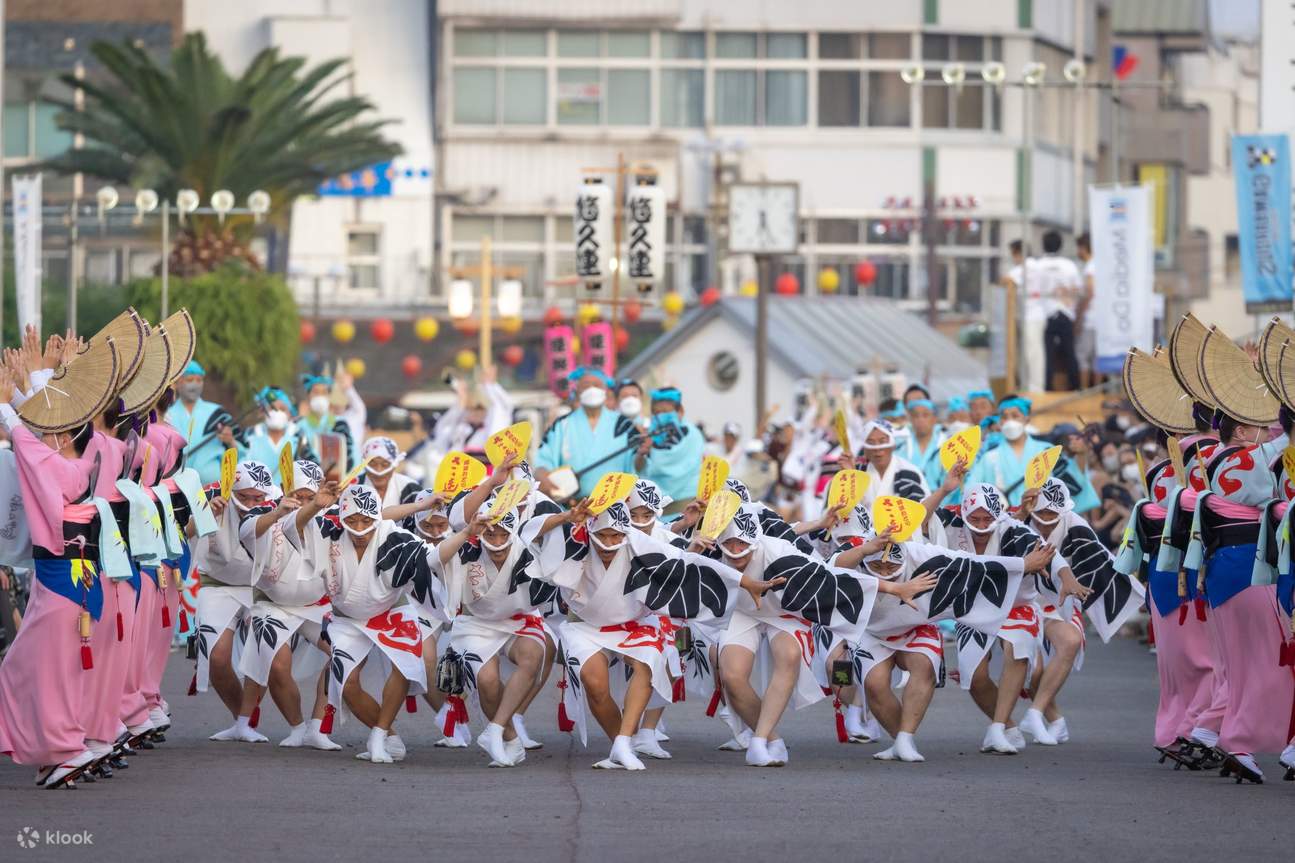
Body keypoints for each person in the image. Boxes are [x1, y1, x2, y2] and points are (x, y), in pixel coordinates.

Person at [529, 496, 779, 770]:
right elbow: (529, 532)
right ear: (591, 531)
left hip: (635, 624)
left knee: (647, 661)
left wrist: (746, 583)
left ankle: (626, 741)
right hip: (585, 626)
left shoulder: (639, 542)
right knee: (594, 684)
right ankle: (619, 745)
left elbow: (689, 561)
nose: (610, 543)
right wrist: (566, 517)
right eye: (604, 536)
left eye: (616, 536)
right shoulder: (575, 538)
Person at [934, 483, 1091, 754]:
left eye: (988, 519)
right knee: (975, 675)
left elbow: (1047, 554)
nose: (982, 525)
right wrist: (944, 489)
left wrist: (1067, 578)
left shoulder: (1014, 530)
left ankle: (995, 728)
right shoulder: (949, 520)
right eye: (975, 518)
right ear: (964, 513)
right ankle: (1007, 725)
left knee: (1017, 650)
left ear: (998, 516)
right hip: (974, 608)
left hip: (1017, 606)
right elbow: (915, 520)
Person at [1181, 413, 1292, 783]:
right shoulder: (1236, 461)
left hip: (1227, 570)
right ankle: (1246, 742)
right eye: (1261, 429)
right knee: (1272, 662)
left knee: (1240, 666)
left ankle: (1215, 733)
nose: (1268, 435)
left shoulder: (1218, 461)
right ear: (1241, 432)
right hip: (1247, 568)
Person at [291, 483, 434, 765]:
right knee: (347, 683)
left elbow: (435, 557)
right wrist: (316, 505)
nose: (358, 528)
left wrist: (464, 532)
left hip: (391, 612)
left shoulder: (395, 537)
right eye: (352, 520)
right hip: (347, 617)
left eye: (367, 521)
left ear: (377, 519)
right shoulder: (328, 531)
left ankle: (378, 736)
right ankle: (389, 735)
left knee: (405, 667)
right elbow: (294, 529)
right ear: (342, 518)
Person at [1017, 478, 1145, 745]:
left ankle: (1036, 712)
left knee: (1071, 641)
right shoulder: (1020, 521)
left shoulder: (1075, 524)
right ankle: (1057, 721)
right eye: (1041, 513)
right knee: (1033, 669)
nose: (1047, 519)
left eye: (1053, 513)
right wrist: (1020, 512)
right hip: (1020, 599)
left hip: (1058, 597)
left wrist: (1073, 582)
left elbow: (1100, 559)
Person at [435, 501, 554, 767]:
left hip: (517, 622)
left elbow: (551, 543)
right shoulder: (466, 546)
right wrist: (467, 532)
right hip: (476, 624)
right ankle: (509, 736)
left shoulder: (527, 550)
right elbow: (433, 560)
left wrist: (568, 516)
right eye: (490, 534)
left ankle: (494, 729)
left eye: (504, 534)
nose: (498, 540)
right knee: (487, 681)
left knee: (532, 657)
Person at [237, 459, 339, 751]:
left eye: (311, 497)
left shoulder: (331, 515)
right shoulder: (264, 511)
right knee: (278, 664)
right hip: (273, 606)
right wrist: (279, 511)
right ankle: (297, 726)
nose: (304, 504)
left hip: (317, 606)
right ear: (283, 489)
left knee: (346, 653)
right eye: (299, 496)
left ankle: (318, 727)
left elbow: (380, 517)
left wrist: (419, 507)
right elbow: (248, 531)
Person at [967, 395, 1097, 511]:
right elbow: (970, 491)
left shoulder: (1046, 451)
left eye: (1015, 415)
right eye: (1004, 416)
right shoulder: (989, 457)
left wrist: (1081, 455)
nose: (1009, 421)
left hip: (1042, 523)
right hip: (1003, 525)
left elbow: (1071, 486)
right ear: (999, 421)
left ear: (1027, 418)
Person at [534, 368, 636, 501]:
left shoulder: (624, 424)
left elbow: (638, 465)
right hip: (572, 509)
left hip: (614, 506)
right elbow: (543, 461)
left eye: (597, 385)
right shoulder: (561, 425)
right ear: (576, 390)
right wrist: (543, 476)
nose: (592, 389)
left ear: (606, 390)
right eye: (586, 385)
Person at [165, 360, 240, 485]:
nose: (195, 384)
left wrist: (230, 441)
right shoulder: (166, 415)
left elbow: (239, 453)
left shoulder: (218, 414)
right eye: (189, 380)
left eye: (199, 380)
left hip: (213, 488)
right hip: (174, 486)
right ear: (177, 383)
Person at [635, 387, 705, 506]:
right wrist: (641, 453)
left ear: (680, 411)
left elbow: (664, 462)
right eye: (657, 412)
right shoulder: (649, 435)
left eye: (666, 411)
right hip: (653, 506)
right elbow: (639, 469)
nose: (661, 416)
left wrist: (652, 451)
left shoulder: (691, 433)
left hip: (686, 502)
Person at [430, 365, 514, 458]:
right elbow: (447, 423)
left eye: (480, 410)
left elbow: (503, 407)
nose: (476, 413)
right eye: (472, 410)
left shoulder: (491, 427)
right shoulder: (456, 426)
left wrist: (490, 385)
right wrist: (460, 394)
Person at [1036, 230, 1083, 391]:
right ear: (1060, 246)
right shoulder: (1069, 265)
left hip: (1045, 313)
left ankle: (1047, 387)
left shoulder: (1038, 265)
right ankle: (1075, 387)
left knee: (1046, 354)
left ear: (1043, 245)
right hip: (1065, 311)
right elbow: (1077, 289)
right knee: (1070, 351)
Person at [1001, 240, 1046, 393]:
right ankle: (1034, 385)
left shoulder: (1026, 267)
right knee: (1034, 352)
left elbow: (1006, 279)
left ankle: (1034, 388)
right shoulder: (1038, 266)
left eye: (1013, 254)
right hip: (1037, 313)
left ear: (1018, 253)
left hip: (1031, 314)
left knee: (1031, 352)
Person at [298, 371, 365, 470]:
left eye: (324, 392)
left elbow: (351, 455)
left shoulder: (340, 424)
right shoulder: (299, 426)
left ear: (329, 396)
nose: (320, 396)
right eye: (316, 392)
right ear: (309, 396)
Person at [244, 387, 303, 486]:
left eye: (282, 409)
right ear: (263, 411)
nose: (277, 412)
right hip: (255, 497)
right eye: (272, 408)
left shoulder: (298, 435)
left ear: (289, 413)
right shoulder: (250, 434)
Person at [897, 396, 947, 495]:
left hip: (939, 501)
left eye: (925, 415)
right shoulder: (901, 447)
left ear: (934, 419)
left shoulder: (945, 445)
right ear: (910, 419)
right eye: (916, 416)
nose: (920, 420)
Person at [1075, 232, 1097, 388]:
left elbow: (1089, 292)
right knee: (1097, 356)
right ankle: (1097, 390)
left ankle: (1084, 389)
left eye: (1079, 248)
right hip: (1103, 318)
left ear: (1084, 248)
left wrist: (1079, 314)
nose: (1078, 252)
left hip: (1090, 318)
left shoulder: (1090, 267)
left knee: (1082, 355)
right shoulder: (1103, 264)